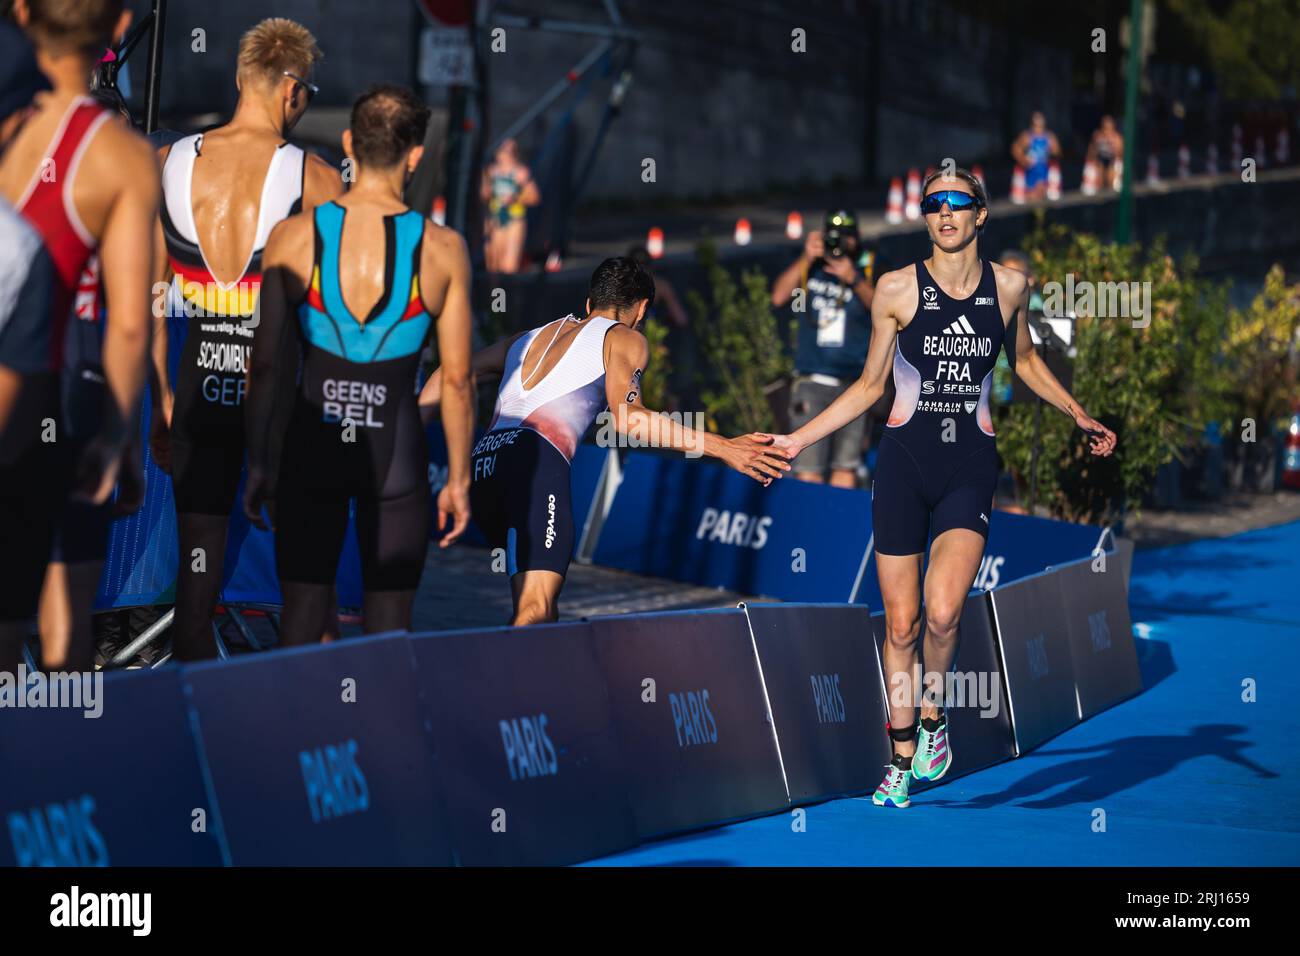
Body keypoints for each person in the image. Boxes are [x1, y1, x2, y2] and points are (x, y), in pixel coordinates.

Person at [759, 168, 1116, 808]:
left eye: (958, 202)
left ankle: (935, 717)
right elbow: (870, 387)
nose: (945, 212)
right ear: (924, 217)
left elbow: (1026, 362)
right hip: (902, 463)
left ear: (981, 214)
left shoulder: (1009, 288)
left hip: (969, 465)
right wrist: (797, 440)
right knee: (900, 627)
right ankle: (899, 758)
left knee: (945, 612)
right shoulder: (895, 289)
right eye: (933, 204)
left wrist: (1078, 413)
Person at [418, 256, 791, 627]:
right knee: (536, 609)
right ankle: (501, 685)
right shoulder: (625, 338)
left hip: (486, 464)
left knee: (536, 609)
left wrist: (412, 442)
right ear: (642, 309)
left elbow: (449, 374)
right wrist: (723, 446)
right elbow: (629, 419)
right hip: (534, 463)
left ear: (588, 303)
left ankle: (532, 681)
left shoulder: (529, 337)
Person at [244, 84, 475, 645]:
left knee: (300, 619)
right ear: (416, 154)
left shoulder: (294, 237)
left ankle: (300, 733)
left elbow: (268, 362)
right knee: (389, 629)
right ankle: (377, 732)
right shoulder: (443, 249)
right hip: (394, 455)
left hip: (311, 448)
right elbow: (460, 380)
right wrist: (460, 482)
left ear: (349, 141)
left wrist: (261, 461)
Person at [150, 18, 343, 661]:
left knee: (194, 604)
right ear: (293, 93)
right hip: (280, 411)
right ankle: (300, 735)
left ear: (239, 79)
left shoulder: (168, 163)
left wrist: (160, 400)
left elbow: (151, 303)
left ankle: (189, 742)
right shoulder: (315, 178)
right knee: (308, 599)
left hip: (195, 393)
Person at [0, 0, 158, 673]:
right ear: (120, 27)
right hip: (53, 381)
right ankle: (48, 767)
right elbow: (129, 318)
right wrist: (122, 437)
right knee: (34, 623)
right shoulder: (121, 154)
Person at [771, 208, 878, 488]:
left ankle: (837, 527)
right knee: (809, 468)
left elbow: (883, 308)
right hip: (812, 382)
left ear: (857, 239)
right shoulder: (811, 269)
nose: (839, 245)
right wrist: (807, 257)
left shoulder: (867, 267)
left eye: (846, 238)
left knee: (846, 466)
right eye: (834, 238)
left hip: (855, 386)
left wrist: (852, 278)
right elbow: (780, 296)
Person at [480, 137, 538, 274]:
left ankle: (505, 294)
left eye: (510, 150)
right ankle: (495, 295)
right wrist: (488, 192)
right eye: (503, 149)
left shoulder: (520, 173)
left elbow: (534, 196)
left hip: (513, 219)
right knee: (493, 264)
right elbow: (483, 194)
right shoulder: (490, 172)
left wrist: (515, 198)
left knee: (509, 267)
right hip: (495, 218)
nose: (505, 154)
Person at [1011, 111, 1061, 201]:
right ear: (1032, 124)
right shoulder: (1027, 136)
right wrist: (1023, 159)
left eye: (1040, 125)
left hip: (1044, 170)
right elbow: (1015, 148)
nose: (1038, 128)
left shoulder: (1048, 136)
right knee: (1032, 197)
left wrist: (1053, 151)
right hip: (1031, 171)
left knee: (1043, 195)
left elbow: (1058, 152)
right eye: (1036, 125)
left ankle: (1041, 213)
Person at [1086, 114, 1124, 190]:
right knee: (1099, 176)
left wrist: (1113, 147)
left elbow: (1120, 153)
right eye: (1105, 128)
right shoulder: (1098, 136)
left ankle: (1111, 190)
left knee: (1111, 178)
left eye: (1109, 128)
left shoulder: (1117, 138)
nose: (1107, 131)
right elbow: (1091, 150)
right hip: (1101, 160)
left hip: (1112, 161)